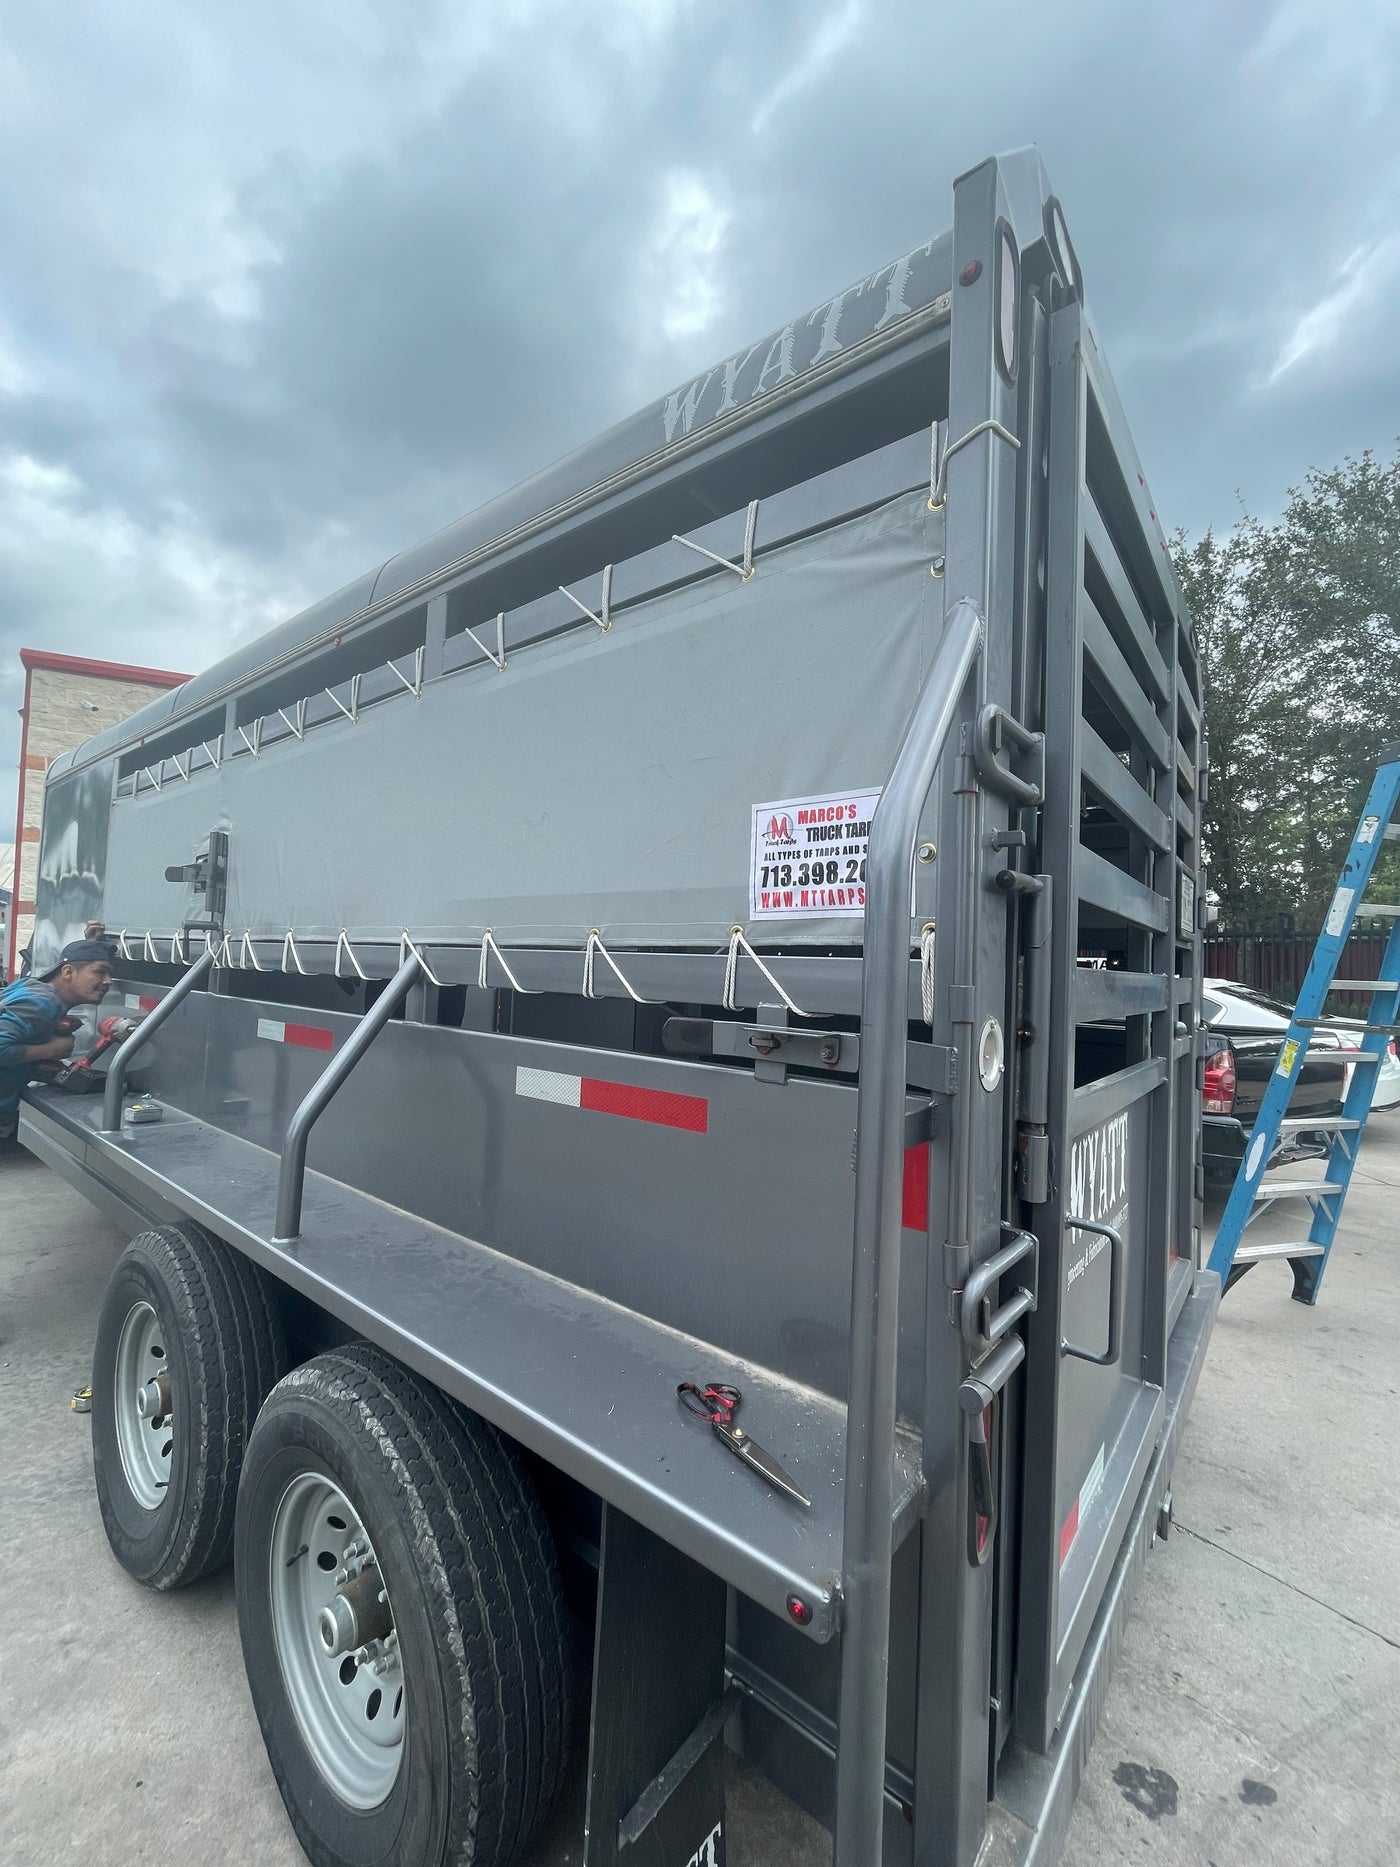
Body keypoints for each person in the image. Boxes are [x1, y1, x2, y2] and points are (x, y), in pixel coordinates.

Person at [0, 936, 115, 1144]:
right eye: (100, 972)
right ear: (68, 972)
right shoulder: (43, 1003)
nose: (108, 981)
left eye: (109, 974)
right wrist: (51, 1050)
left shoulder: (34, 987)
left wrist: (92, 943)